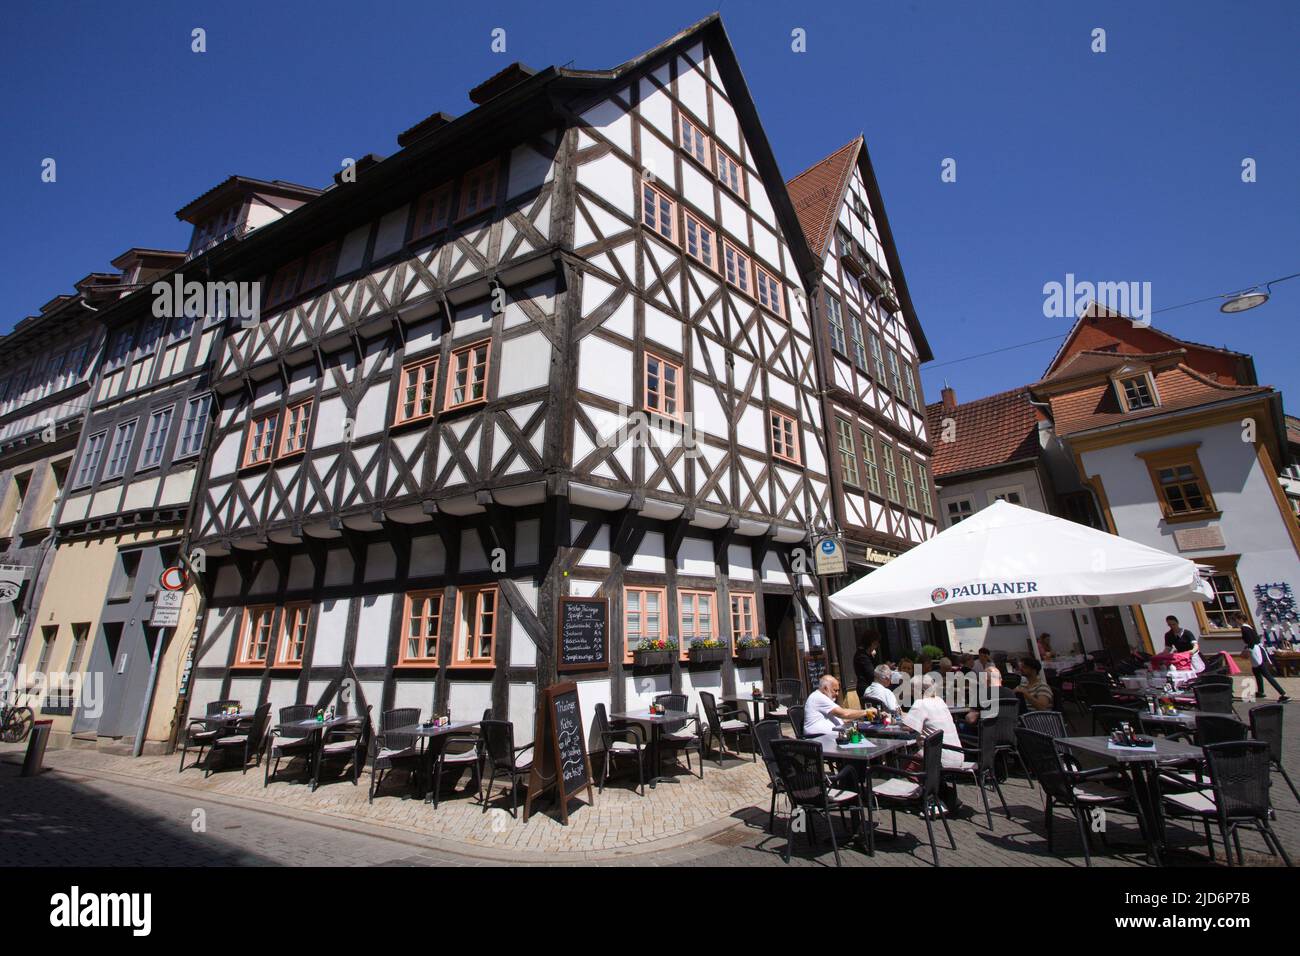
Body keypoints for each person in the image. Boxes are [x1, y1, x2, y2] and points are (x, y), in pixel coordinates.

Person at [1238, 613, 1290, 701]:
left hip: (1254, 651)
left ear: (1240, 619)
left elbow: (1250, 641)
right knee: (1256, 671)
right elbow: (1256, 639)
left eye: (1236, 620)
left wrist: (1246, 650)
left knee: (1265, 673)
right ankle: (1260, 692)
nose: (1236, 622)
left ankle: (1283, 693)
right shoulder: (1250, 627)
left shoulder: (1244, 628)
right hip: (1257, 649)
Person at [803, 674, 870, 737]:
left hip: (831, 737)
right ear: (825, 688)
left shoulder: (824, 697)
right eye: (835, 690)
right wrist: (866, 712)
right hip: (819, 738)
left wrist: (857, 717)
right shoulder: (818, 697)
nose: (837, 694)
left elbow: (840, 718)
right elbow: (844, 713)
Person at [852, 635, 877, 706]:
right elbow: (871, 673)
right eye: (876, 643)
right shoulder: (862, 656)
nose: (877, 646)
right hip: (866, 687)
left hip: (867, 686)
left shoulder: (866, 655)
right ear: (871, 643)